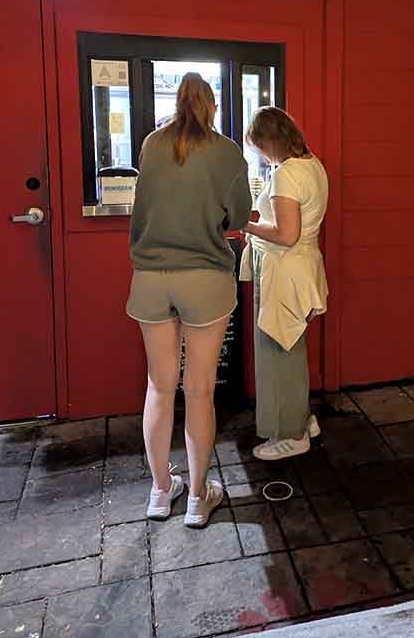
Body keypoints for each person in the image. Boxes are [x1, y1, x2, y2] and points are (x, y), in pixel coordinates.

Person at [126, 72, 252, 527]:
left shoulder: (152, 144)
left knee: (159, 387)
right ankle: (198, 498)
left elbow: (143, 208)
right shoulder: (227, 151)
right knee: (199, 391)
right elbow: (239, 216)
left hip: (151, 278)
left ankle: (161, 492)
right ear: (212, 105)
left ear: (176, 103)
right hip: (205, 278)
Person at [240, 107, 329, 461]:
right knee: (292, 350)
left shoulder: (286, 174)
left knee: (278, 355)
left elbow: (286, 234)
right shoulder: (313, 165)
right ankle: (301, 419)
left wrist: (245, 224)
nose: (262, 155)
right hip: (303, 269)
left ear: (271, 141)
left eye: (260, 147)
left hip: (283, 272)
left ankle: (290, 435)